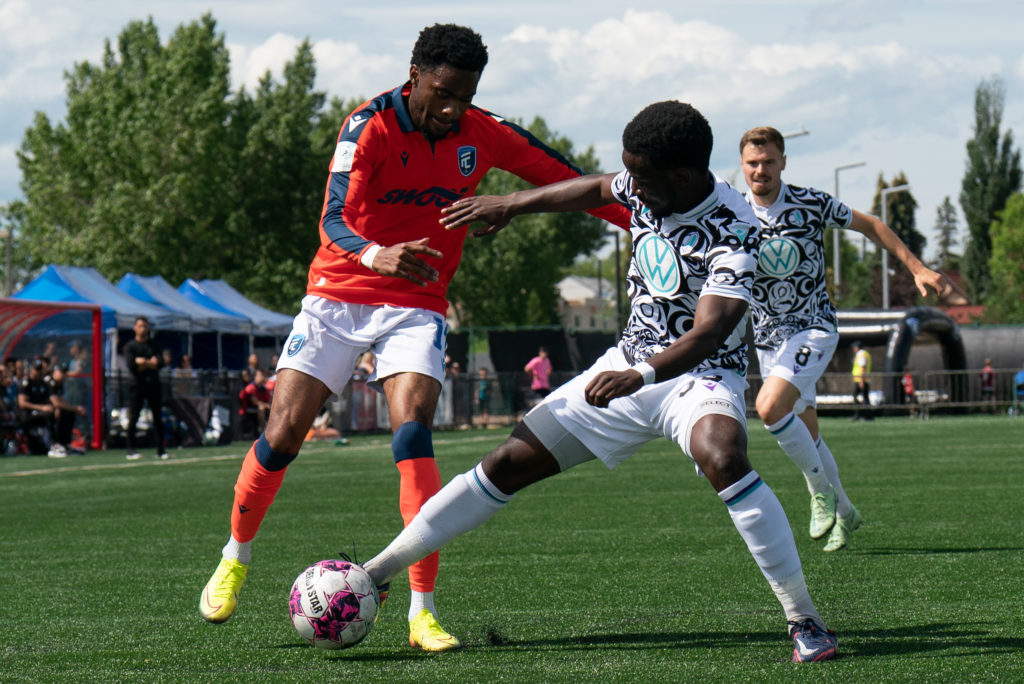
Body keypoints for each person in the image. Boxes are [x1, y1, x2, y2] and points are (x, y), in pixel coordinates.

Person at [198, 22, 631, 652]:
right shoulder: (367, 127)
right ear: (414, 77)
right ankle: (234, 557)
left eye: (465, 96)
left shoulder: (484, 132)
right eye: (442, 94)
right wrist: (377, 254)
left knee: (413, 434)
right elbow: (332, 218)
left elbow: (573, 181)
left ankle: (421, 612)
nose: (453, 109)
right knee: (283, 432)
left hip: (415, 303)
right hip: (338, 295)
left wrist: (650, 221)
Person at [362, 100, 839, 663]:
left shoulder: (736, 230)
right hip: (625, 366)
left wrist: (640, 375)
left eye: (641, 177)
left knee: (725, 455)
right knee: (504, 464)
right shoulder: (646, 183)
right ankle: (375, 574)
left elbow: (710, 333)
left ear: (683, 175)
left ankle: (804, 619)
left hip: (698, 378)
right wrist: (511, 204)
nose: (631, 186)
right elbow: (593, 188)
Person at [739, 126, 945, 551]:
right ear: (742, 166)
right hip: (768, 342)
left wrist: (917, 268)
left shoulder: (809, 203)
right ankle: (846, 512)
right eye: (753, 163)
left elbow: (871, 224)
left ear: (783, 162)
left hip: (813, 328)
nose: (761, 170)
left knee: (769, 408)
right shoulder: (732, 213)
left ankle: (820, 493)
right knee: (806, 433)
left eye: (769, 161)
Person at [123, 316, 168, 460]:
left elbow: (159, 363)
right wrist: (149, 363)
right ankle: (131, 448)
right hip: (137, 385)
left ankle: (161, 449)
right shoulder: (130, 346)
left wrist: (144, 362)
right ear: (135, 328)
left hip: (153, 384)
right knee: (134, 416)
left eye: (145, 326)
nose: (143, 329)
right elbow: (132, 365)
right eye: (140, 326)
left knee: (157, 416)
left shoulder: (154, 345)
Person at [17, 359, 55, 456]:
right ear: (31, 370)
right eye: (36, 369)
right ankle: (50, 443)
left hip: (40, 412)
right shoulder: (26, 383)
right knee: (46, 414)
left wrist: (53, 407)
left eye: (39, 369)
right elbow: (22, 403)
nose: (38, 372)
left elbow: (49, 399)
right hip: (28, 413)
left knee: (53, 413)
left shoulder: (43, 383)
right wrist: (41, 408)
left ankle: (52, 443)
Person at [48, 363, 87, 456]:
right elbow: (55, 403)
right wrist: (75, 408)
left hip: (52, 408)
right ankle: (54, 444)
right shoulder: (50, 382)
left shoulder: (59, 384)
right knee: (51, 414)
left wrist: (74, 409)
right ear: (55, 372)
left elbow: (62, 400)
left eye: (64, 373)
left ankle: (65, 444)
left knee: (69, 413)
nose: (63, 375)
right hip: (43, 408)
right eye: (61, 372)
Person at [238, 368, 272, 438]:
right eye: (260, 375)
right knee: (261, 408)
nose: (263, 377)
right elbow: (255, 402)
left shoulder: (264, 388)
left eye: (263, 375)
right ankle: (262, 430)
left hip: (263, 407)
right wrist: (267, 406)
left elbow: (268, 400)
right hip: (250, 409)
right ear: (255, 377)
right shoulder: (251, 387)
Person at [851, 341, 872, 422]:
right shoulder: (863, 354)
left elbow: (863, 368)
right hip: (862, 379)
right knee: (865, 397)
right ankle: (867, 416)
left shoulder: (861, 354)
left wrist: (861, 381)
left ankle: (860, 415)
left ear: (857, 348)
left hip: (861, 379)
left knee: (859, 397)